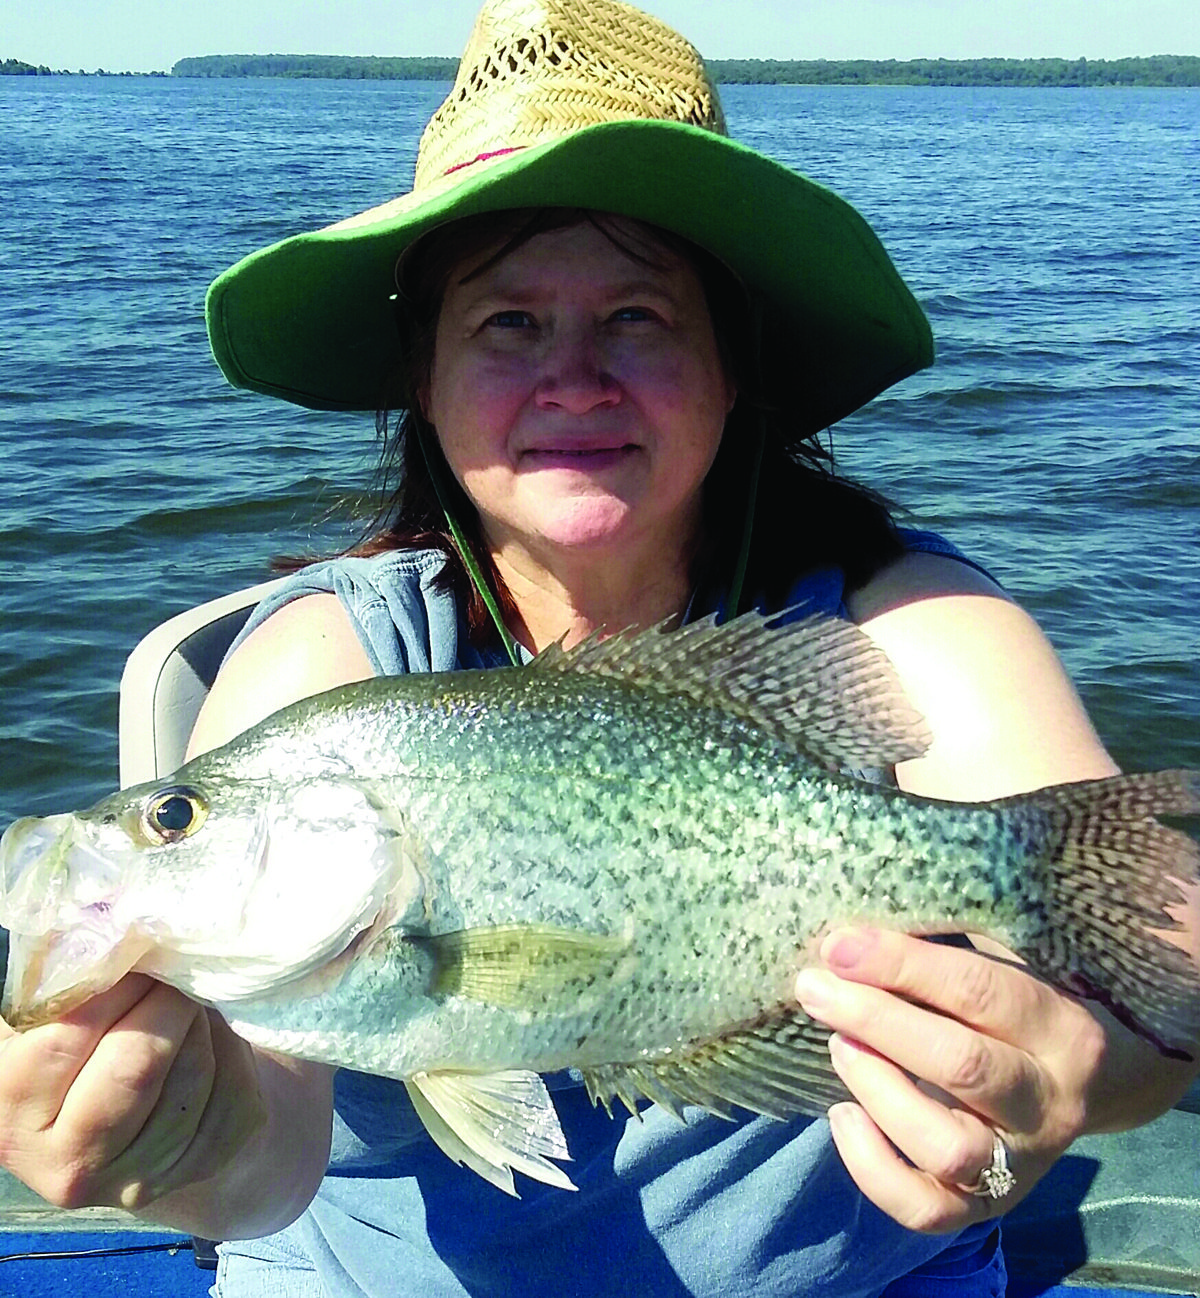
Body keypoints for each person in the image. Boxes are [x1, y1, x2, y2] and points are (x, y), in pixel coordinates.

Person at [0, 0, 1195, 1294]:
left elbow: (1163, 966)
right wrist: (193, 1139)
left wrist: (1079, 1070)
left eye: (638, 313)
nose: (575, 376)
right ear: (425, 371)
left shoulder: (902, 621)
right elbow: (274, 1158)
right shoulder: (332, 664)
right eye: (510, 321)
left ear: (735, 360)